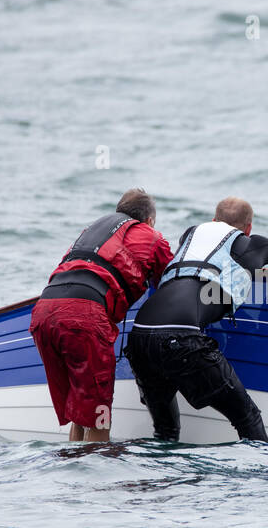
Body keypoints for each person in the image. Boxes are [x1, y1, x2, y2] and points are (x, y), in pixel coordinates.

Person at [126, 197, 268, 442]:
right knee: (247, 417)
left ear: (213, 220)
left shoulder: (190, 236)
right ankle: (263, 479)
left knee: (166, 432)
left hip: (138, 337)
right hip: (180, 337)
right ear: (249, 228)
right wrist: (260, 251)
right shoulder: (252, 244)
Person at [30, 189, 173, 442]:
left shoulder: (89, 232)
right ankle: (97, 474)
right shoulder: (152, 237)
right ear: (149, 221)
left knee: (81, 406)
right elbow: (170, 283)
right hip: (84, 316)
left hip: (44, 313)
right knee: (99, 412)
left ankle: (73, 473)